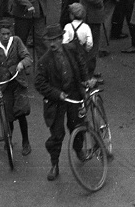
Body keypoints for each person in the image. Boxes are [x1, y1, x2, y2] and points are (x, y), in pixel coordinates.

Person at [35, 24, 89, 182]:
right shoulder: (44, 60)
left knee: (77, 126)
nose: (52, 43)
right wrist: (57, 94)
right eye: (49, 40)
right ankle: (54, 164)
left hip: (73, 95)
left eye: (55, 40)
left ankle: (78, 150)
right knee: (57, 134)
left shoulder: (71, 49)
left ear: (61, 39)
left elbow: (81, 64)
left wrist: (85, 81)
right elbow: (39, 83)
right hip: (56, 101)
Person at [0, 18, 33, 155]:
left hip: (18, 81)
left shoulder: (16, 42)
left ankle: (25, 142)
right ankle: (8, 140)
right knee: (8, 115)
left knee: (21, 113)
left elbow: (27, 57)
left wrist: (22, 64)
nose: (6, 36)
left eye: (8, 33)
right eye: (3, 34)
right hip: (4, 84)